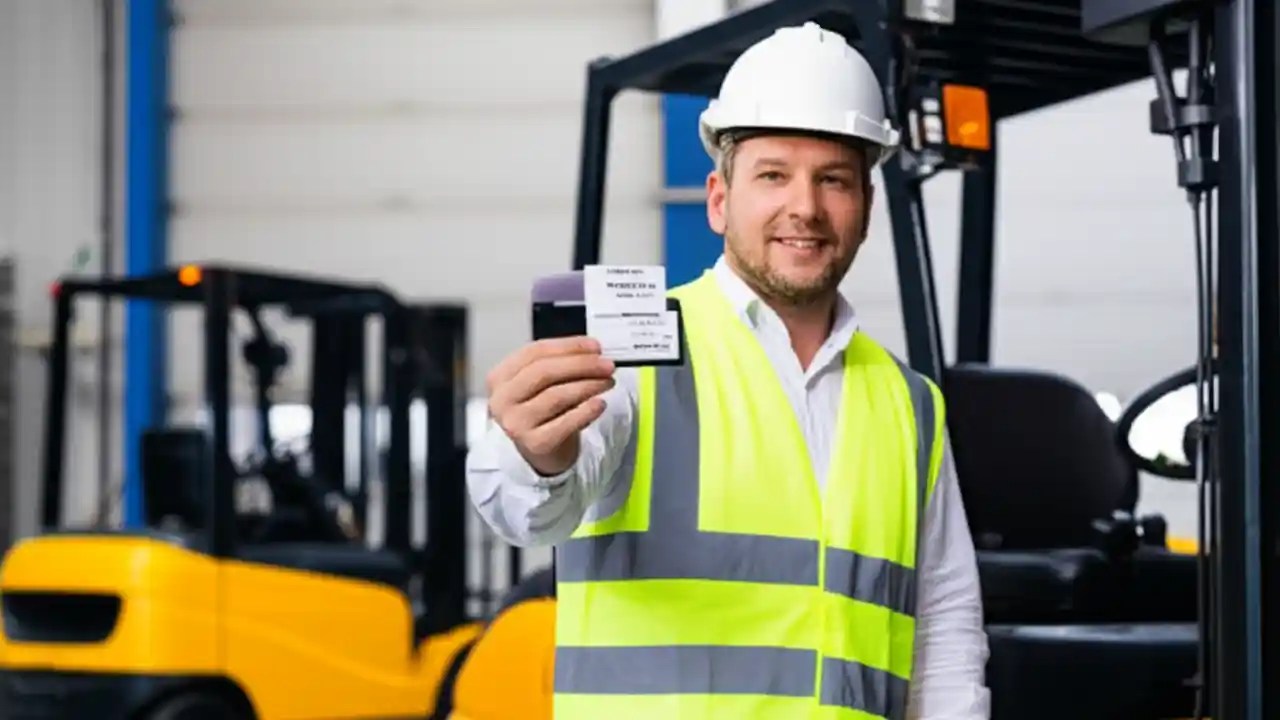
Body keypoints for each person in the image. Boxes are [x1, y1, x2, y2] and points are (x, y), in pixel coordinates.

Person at [467, 21, 989, 720]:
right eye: (774, 174)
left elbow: (946, 632)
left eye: (833, 179)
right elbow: (527, 508)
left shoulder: (911, 403)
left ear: (865, 208)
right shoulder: (635, 352)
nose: (804, 206)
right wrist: (536, 453)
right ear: (719, 199)